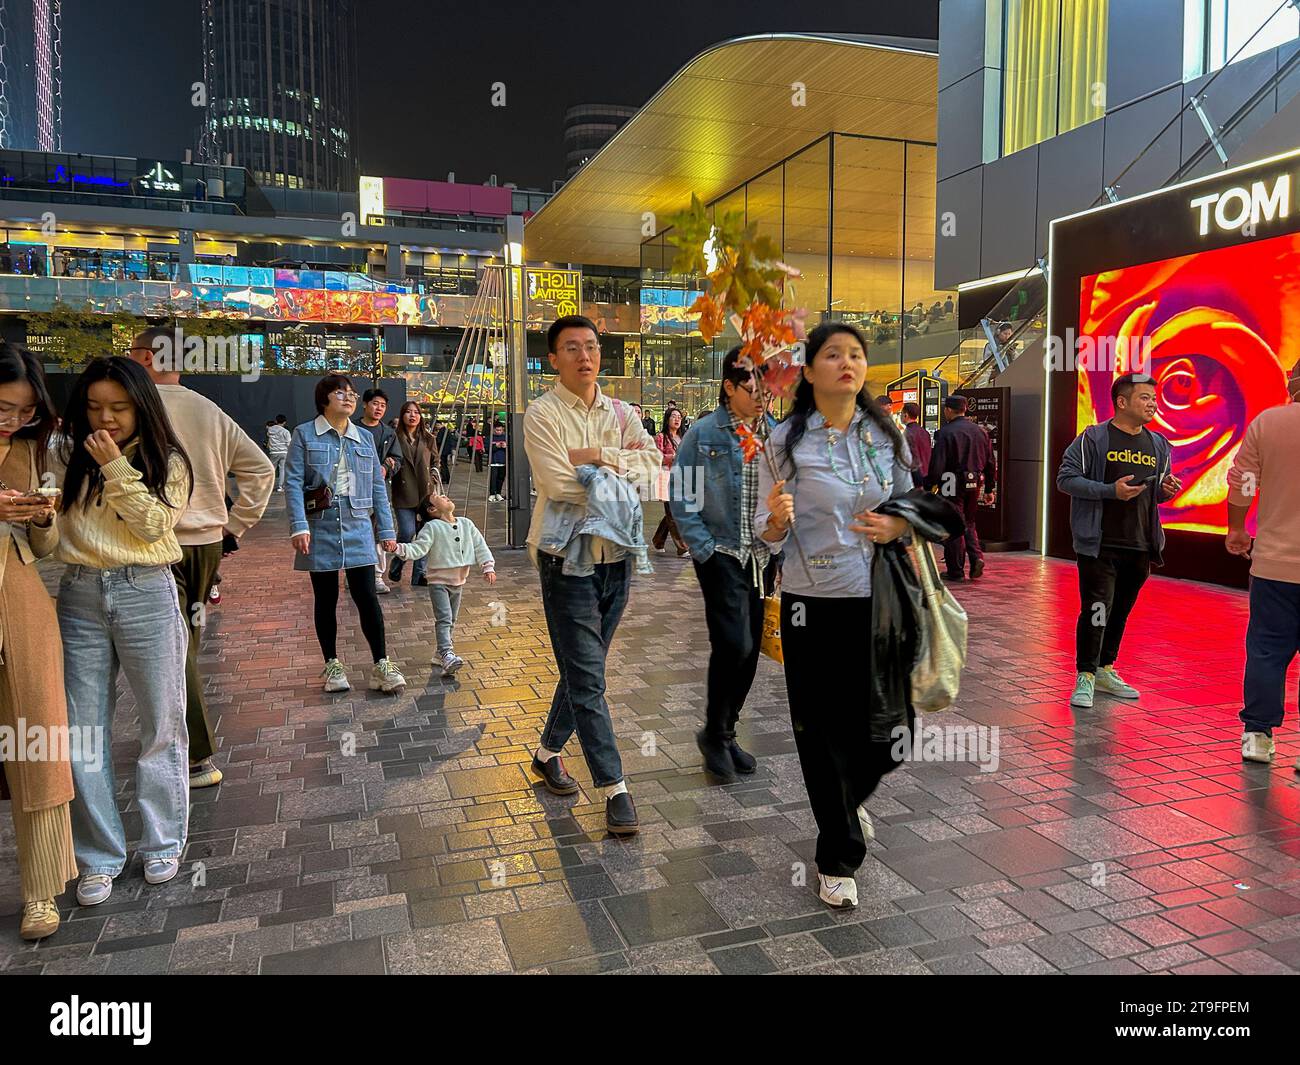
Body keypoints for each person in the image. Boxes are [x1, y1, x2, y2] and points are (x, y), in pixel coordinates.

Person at [755, 322, 936, 910]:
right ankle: (836, 853)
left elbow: (918, 506)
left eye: (856, 354)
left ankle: (846, 800)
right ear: (809, 372)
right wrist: (775, 524)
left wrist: (897, 523)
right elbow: (760, 536)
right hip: (812, 606)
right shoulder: (783, 442)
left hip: (881, 600)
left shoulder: (887, 436)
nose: (847, 363)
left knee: (894, 733)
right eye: (832, 354)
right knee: (820, 731)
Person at [55, 357, 194, 907]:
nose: (105, 419)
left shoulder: (169, 462)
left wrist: (115, 467)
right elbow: (50, 531)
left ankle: (163, 841)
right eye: (93, 407)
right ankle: (98, 856)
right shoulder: (65, 455)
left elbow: (156, 524)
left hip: (147, 592)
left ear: (142, 407)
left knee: (161, 722)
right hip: (79, 593)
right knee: (83, 729)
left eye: (118, 408)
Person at [523, 315, 659, 835]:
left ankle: (546, 752)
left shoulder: (621, 411)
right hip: (566, 561)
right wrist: (614, 467)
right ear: (553, 358)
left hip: (617, 556)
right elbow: (557, 481)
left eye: (592, 347)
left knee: (585, 670)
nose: (585, 356)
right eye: (572, 348)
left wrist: (597, 458)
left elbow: (654, 471)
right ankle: (615, 787)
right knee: (589, 676)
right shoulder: (542, 413)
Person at [126, 328, 275, 790]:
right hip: (207, 543)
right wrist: (235, 526)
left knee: (173, 647)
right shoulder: (207, 409)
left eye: (129, 353)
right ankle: (186, 748)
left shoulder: (134, 410)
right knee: (185, 639)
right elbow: (261, 468)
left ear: (147, 357)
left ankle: (195, 753)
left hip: (154, 542)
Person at [0, 343, 78, 939]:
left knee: (38, 741)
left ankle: (42, 891)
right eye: (2, 406)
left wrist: (42, 520)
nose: (11, 420)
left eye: (23, 411)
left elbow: (44, 552)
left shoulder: (30, 453)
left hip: (22, 604)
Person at [673, 347, 776, 782]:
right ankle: (714, 733)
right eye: (752, 385)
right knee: (733, 643)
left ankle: (726, 732)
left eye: (766, 386)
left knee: (751, 649)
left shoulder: (776, 435)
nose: (762, 394)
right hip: (722, 553)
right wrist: (704, 550)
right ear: (729, 387)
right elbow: (683, 495)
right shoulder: (704, 434)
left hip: (765, 554)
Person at [1057, 372, 1180, 710]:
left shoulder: (1158, 444)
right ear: (1122, 401)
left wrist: (1164, 492)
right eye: (1144, 398)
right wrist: (1109, 491)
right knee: (1096, 609)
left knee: (1121, 612)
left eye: (1154, 399)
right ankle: (1085, 674)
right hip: (1099, 544)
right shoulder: (1093, 439)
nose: (1152, 404)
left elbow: (1151, 495)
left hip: (1140, 543)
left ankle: (1106, 668)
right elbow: (1066, 480)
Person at [285, 374, 406, 695]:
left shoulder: (363, 439)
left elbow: (378, 487)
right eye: (341, 393)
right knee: (326, 598)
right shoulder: (304, 434)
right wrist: (298, 524)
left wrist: (387, 530)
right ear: (324, 399)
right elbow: (294, 482)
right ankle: (332, 664)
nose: (349, 398)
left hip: (358, 527)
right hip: (319, 527)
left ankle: (381, 664)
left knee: (367, 597)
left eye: (352, 393)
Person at [1228, 360, 1300, 764]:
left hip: (1274, 565)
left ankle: (1257, 735)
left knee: (1267, 651)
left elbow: (1244, 482)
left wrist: (1237, 529)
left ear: (1292, 382)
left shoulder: (1267, 423)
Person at [392, 492, 496, 677]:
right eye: (439, 496)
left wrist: (488, 566)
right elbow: (418, 549)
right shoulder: (432, 528)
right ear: (432, 509)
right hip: (438, 581)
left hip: (458, 581)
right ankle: (447, 654)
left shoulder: (466, 523)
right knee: (445, 618)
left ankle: (441, 653)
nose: (445, 495)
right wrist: (398, 548)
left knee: (452, 620)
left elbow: (480, 546)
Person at [927, 394, 995, 582]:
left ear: (948, 410)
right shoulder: (981, 432)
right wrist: (989, 488)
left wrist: (929, 485)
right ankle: (976, 558)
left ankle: (955, 570)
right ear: (965, 409)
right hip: (975, 481)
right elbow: (990, 462)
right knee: (969, 522)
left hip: (951, 482)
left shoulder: (945, 433)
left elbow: (938, 464)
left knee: (953, 523)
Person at [388, 400, 439, 587]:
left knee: (425, 535)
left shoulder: (428, 438)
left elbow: (435, 460)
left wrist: (434, 473)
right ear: (402, 416)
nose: (412, 415)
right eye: (408, 412)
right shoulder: (394, 437)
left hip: (426, 494)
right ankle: (397, 563)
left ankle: (419, 575)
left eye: (416, 412)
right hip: (403, 492)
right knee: (407, 533)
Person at [357, 388, 398, 595]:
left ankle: (377, 576)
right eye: (375, 403)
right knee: (354, 534)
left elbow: (396, 459)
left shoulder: (388, 433)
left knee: (379, 533)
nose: (379, 408)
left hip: (378, 490)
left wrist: (387, 467)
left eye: (382, 405)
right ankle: (353, 574)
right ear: (364, 404)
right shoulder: (351, 428)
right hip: (353, 491)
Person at [651, 407, 688, 555]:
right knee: (673, 512)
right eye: (674, 416)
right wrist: (671, 457)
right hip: (666, 477)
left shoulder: (683, 438)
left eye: (679, 416)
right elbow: (656, 457)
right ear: (667, 419)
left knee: (671, 513)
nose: (677, 419)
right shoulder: (661, 437)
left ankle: (658, 540)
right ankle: (682, 547)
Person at [901, 401, 931, 478]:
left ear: (905, 415)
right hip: (926, 473)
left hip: (914, 476)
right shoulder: (925, 432)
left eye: (901, 413)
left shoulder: (907, 433)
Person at [267, 414, 291, 491]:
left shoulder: (270, 430)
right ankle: (280, 487)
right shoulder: (286, 432)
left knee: (271, 469)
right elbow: (289, 443)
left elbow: (268, 435)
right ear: (284, 422)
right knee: (282, 469)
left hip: (273, 452)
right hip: (284, 452)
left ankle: (268, 487)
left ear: (276, 421)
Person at [488, 419, 507, 501]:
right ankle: (492, 494)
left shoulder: (505, 437)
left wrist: (505, 446)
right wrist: (496, 446)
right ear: (493, 429)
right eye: (497, 430)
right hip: (493, 462)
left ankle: (498, 493)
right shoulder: (490, 438)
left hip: (503, 462)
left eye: (500, 430)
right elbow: (486, 448)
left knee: (501, 478)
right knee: (493, 479)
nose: (499, 431)